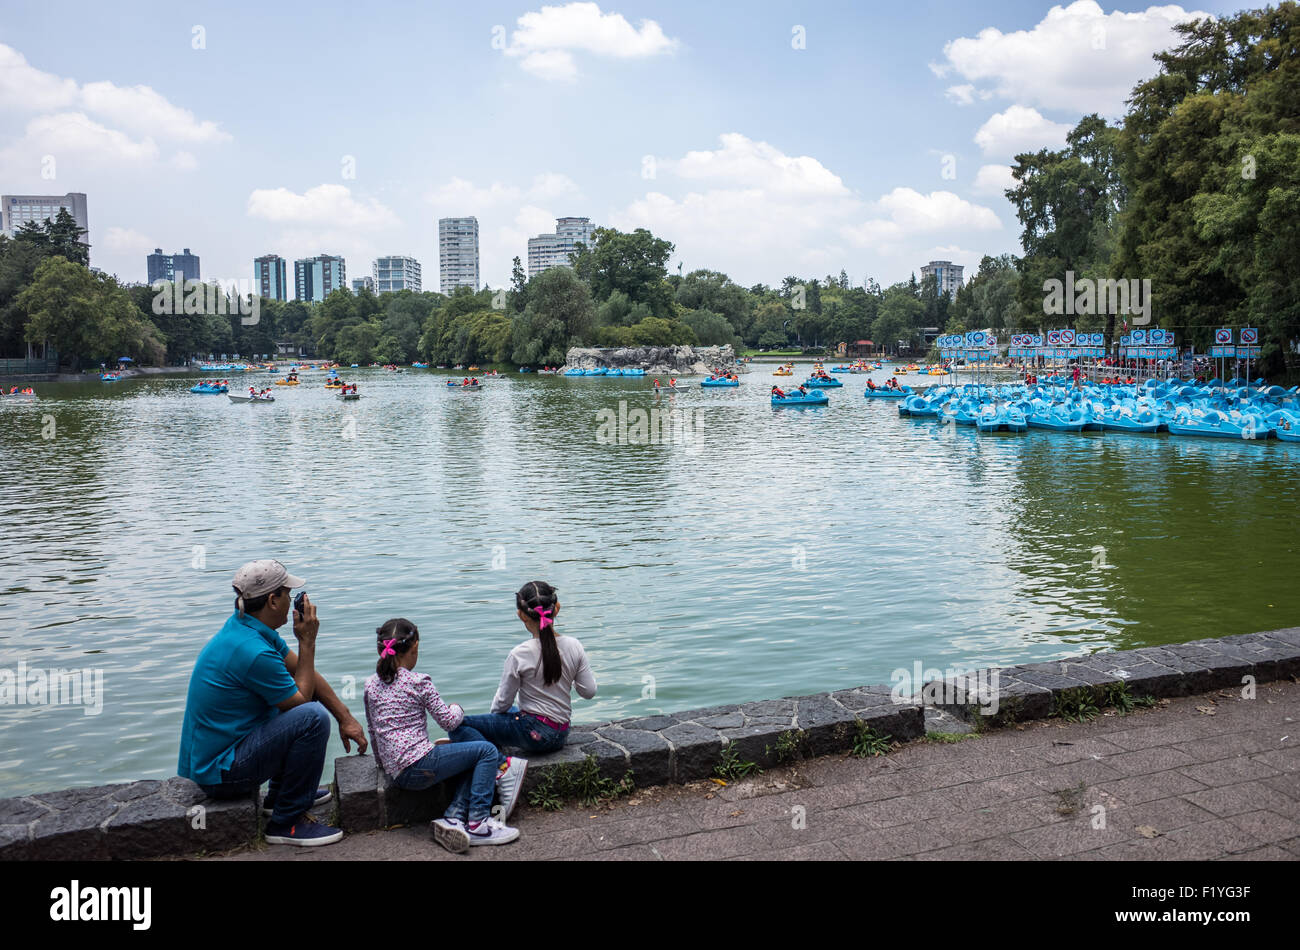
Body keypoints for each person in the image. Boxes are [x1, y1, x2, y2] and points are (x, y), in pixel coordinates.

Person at [177, 560, 367, 847]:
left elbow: (305, 673)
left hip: (223, 757)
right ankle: (287, 822)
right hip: (219, 775)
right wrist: (307, 642)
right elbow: (302, 702)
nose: (292, 599)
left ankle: (280, 797)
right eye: (288, 593)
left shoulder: (248, 628)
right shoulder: (252, 651)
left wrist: (346, 718)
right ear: (273, 600)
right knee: (312, 718)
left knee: (300, 711)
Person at [364, 619, 521, 851]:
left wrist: (382, 763)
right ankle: (478, 822)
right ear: (414, 647)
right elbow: (448, 720)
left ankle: (453, 818)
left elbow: (372, 730)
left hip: (397, 771)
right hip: (421, 765)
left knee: (471, 757)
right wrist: (458, 708)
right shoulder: (419, 682)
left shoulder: (370, 685)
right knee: (486, 751)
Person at [448, 581, 597, 774]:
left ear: (521, 615)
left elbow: (501, 703)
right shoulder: (574, 645)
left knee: (457, 725)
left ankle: (503, 767)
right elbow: (589, 692)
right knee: (512, 711)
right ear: (557, 608)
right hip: (560, 733)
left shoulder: (519, 654)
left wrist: (495, 723)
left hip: (534, 734)